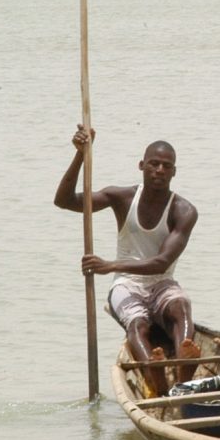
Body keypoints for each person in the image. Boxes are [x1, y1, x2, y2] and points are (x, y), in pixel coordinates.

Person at [55, 125, 200, 396]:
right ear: (141, 165)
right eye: (153, 164)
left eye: (166, 166)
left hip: (162, 281)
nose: (159, 170)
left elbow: (161, 262)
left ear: (174, 172)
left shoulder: (184, 211)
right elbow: (64, 201)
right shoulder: (122, 198)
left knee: (180, 306)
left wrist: (110, 265)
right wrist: (80, 156)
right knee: (138, 324)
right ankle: (154, 373)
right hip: (126, 284)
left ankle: (184, 369)